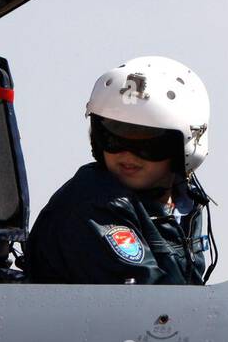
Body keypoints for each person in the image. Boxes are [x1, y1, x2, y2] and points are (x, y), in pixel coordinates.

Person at [27, 56, 216, 284]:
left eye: (149, 144)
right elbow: (151, 307)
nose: (127, 154)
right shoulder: (95, 207)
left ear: (183, 147)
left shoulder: (184, 202)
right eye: (113, 138)